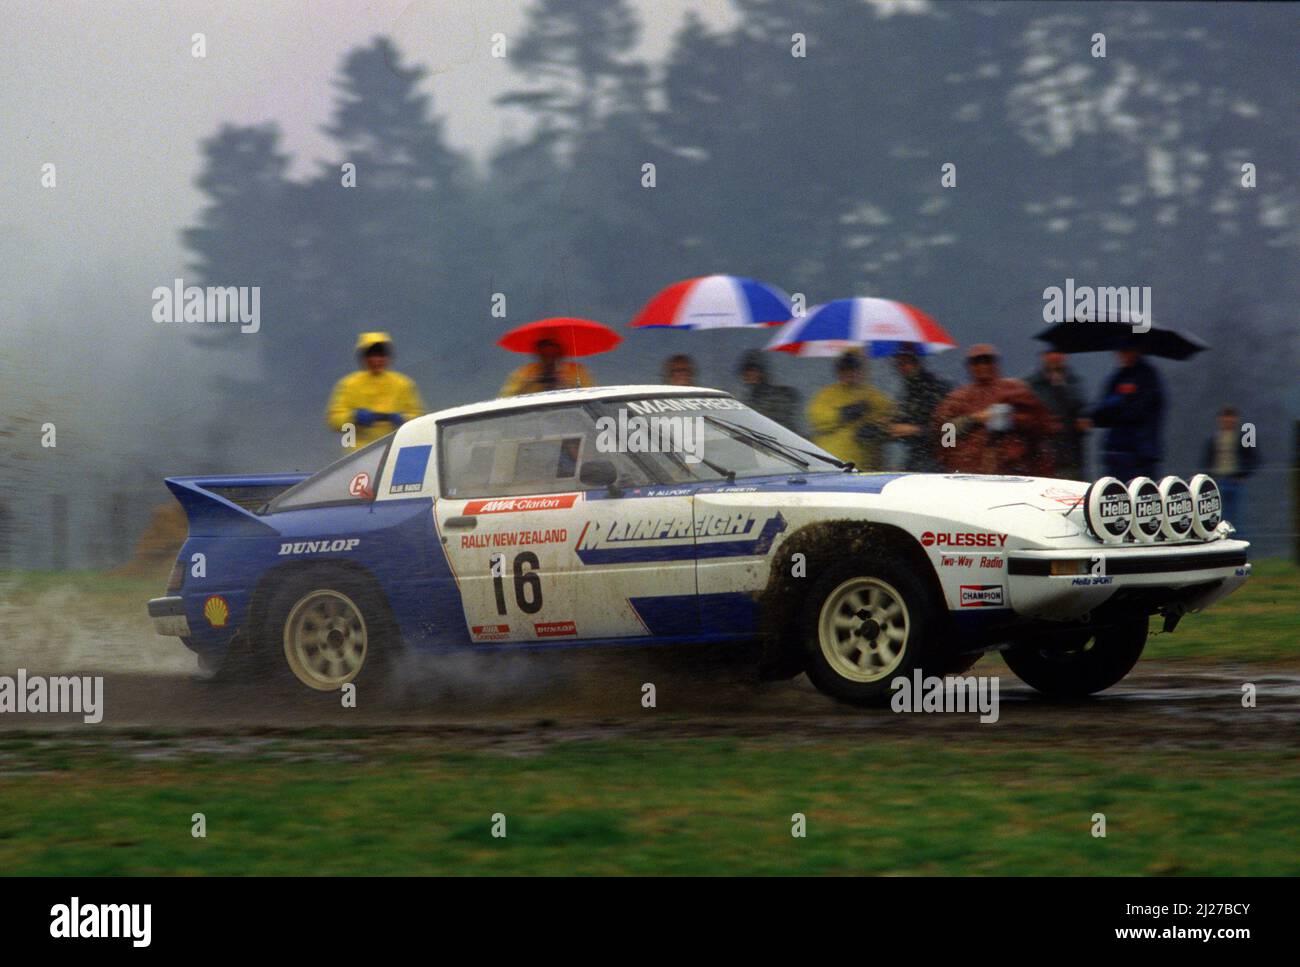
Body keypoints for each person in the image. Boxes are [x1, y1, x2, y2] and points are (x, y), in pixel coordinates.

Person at [932, 343, 1056, 476]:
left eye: (987, 362)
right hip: (967, 475)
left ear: (995, 364)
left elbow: (1043, 426)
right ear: (969, 366)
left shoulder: (1015, 390)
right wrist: (971, 420)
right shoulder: (958, 398)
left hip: (1011, 474)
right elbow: (944, 435)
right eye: (977, 363)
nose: (982, 367)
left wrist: (1009, 418)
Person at [326, 332, 424, 450]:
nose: (377, 359)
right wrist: (353, 417)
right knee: (348, 440)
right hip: (357, 455)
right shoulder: (348, 385)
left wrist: (403, 419)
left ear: (387, 357)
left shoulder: (403, 384)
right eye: (372, 355)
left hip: (395, 450)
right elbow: (334, 421)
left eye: (381, 355)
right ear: (364, 358)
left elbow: (420, 419)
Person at [807, 350, 894, 470]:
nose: (848, 373)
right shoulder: (827, 394)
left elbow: (889, 419)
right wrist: (844, 414)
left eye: (853, 368)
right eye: (844, 369)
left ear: (861, 370)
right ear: (838, 371)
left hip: (865, 468)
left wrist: (876, 429)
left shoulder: (873, 396)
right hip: (832, 465)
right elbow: (818, 419)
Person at [1090, 345, 1165, 479]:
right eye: (1119, 351)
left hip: (1140, 454)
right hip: (1116, 453)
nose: (1122, 355)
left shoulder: (1148, 377)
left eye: (1126, 350)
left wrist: (1116, 408)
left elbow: (1137, 412)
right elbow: (1100, 413)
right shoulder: (1117, 377)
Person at [1025, 349, 1090, 480]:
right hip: (1042, 457)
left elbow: (1082, 409)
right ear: (1043, 356)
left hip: (1071, 457)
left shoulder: (1074, 381)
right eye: (1050, 353)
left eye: (1058, 352)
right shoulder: (1031, 384)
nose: (1055, 357)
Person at [888, 345, 951, 472]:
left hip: (938, 461)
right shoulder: (907, 391)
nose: (903, 367)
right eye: (899, 363)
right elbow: (902, 427)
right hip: (916, 459)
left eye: (907, 362)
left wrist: (915, 430)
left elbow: (950, 431)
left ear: (917, 362)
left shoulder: (936, 388)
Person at [1202, 405, 1256, 530]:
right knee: (1219, 516)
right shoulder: (1213, 439)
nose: (1228, 421)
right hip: (1218, 481)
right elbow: (1207, 460)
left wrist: (1243, 475)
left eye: (1231, 418)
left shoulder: (1244, 438)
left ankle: (1237, 543)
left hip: (1235, 482)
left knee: (1236, 517)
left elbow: (1253, 458)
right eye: (1225, 418)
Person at [499, 338, 595, 397]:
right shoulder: (524, 374)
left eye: (553, 354)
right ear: (537, 354)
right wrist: (532, 382)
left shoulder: (577, 371)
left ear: (561, 353)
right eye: (545, 355)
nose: (550, 359)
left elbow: (590, 397)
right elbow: (505, 400)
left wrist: (564, 383)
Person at [738, 349, 802, 432]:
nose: (747, 375)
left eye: (752, 370)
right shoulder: (748, 396)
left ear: (761, 372)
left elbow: (776, 426)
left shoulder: (773, 396)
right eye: (745, 371)